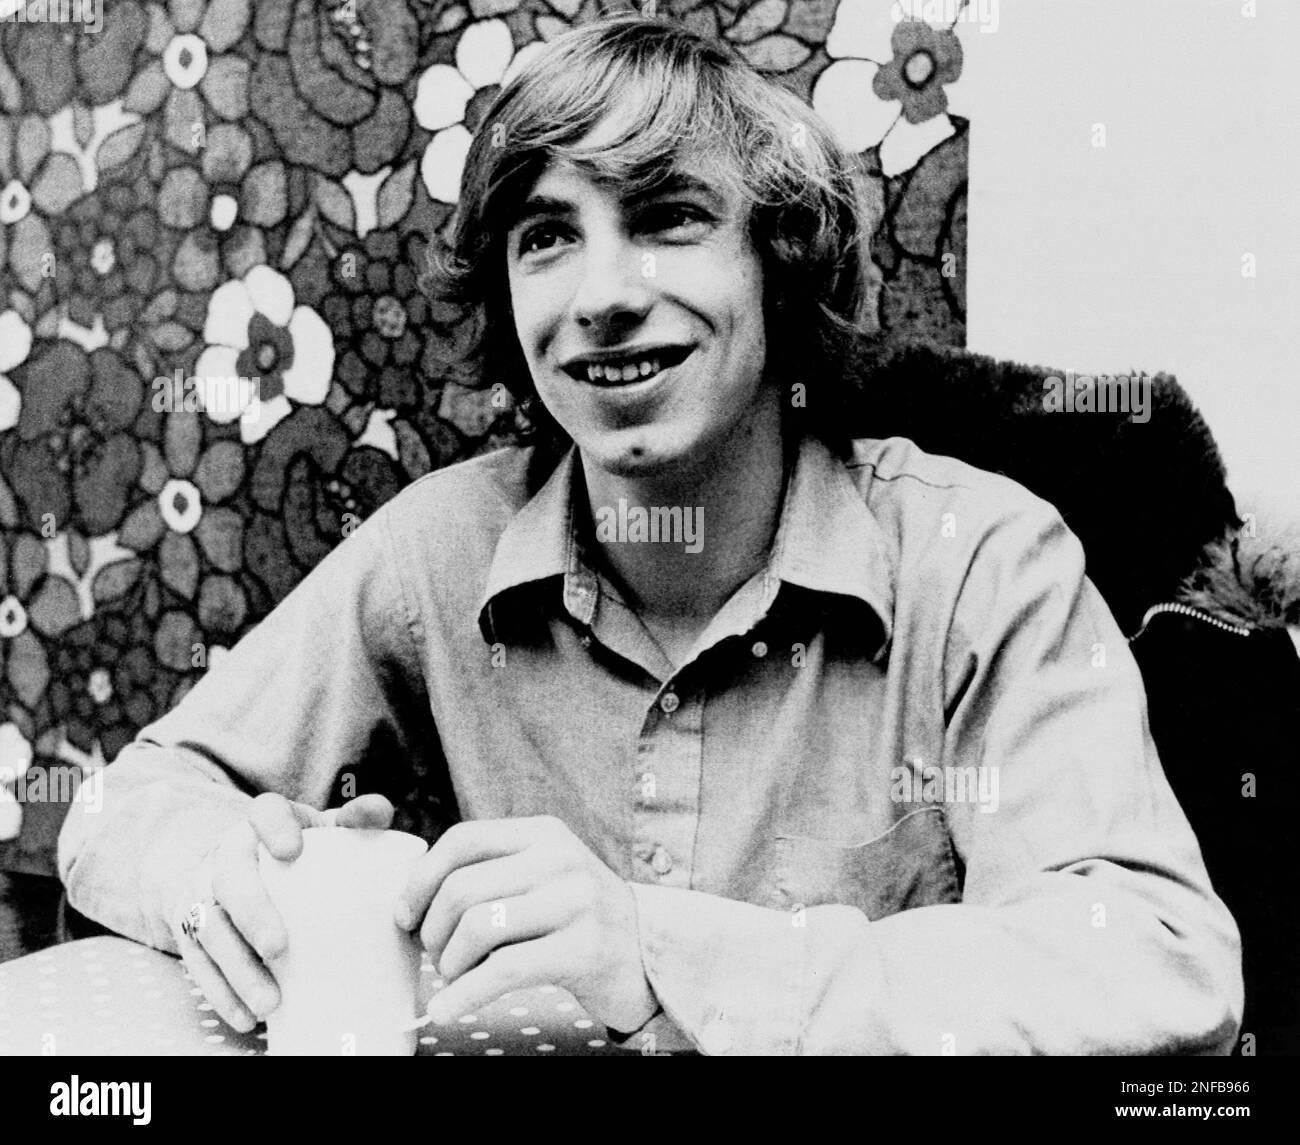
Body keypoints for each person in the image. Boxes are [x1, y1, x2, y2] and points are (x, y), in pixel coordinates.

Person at [57, 13, 1241, 1055]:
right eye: (547, 235)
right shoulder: (442, 548)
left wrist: (657, 949)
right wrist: (224, 877)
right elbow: (125, 805)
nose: (600, 294)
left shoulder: (979, 558)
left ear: (780, 271)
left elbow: (1160, 966)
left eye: (669, 217)